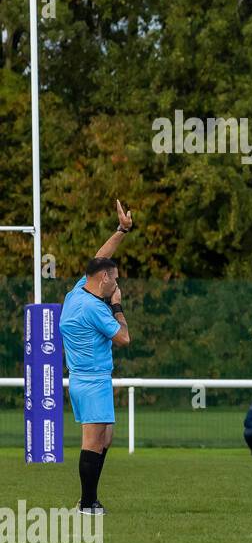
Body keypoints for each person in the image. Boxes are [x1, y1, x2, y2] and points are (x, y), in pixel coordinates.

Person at [60, 200, 134, 515]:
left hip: (84, 380)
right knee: (92, 442)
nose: (116, 283)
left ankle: (89, 499)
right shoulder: (94, 308)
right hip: (92, 381)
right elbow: (124, 338)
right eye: (114, 279)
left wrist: (122, 230)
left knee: (105, 438)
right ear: (104, 279)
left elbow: (99, 258)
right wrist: (117, 305)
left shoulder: (76, 293)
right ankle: (87, 503)